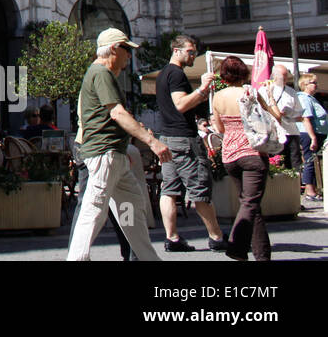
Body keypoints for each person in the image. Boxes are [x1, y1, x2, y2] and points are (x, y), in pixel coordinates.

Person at [67, 29, 171, 261]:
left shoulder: (101, 73)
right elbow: (116, 112)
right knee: (94, 210)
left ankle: (146, 257)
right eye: (126, 49)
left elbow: (113, 114)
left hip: (113, 154)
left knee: (130, 207)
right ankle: (77, 259)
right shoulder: (101, 72)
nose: (129, 56)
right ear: (113, 49)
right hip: (105, 153)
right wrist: (152, 141)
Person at [156, 35, 226, 253]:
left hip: (167, 138)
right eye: (190, 51)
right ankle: (216, 237)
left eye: (194, 51)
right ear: (176, 51)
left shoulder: (163, 74)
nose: (193, 55)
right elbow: (180, 104)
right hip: (184, 140)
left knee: (169, 190)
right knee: (199, 189)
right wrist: (202, 90)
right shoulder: (176, 74)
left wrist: (200, 113)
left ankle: (172, 238)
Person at [212, 56, 273, 261]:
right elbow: (272, 118)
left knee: (250, 205)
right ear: (243, 73)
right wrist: (271, 97)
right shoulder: (249, 92)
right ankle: (236, 247)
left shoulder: (217, 97)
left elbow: (219, 128)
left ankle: (262, 255)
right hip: (252, 151)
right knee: (250, 204)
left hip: (230, 154)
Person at [259, 65, 306, 175]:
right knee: (277, 163)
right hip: (275, 133)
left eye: (286, 76)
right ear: (275, 76)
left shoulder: (291, 92)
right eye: (283, 76)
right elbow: (260, 111)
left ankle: (296, 187)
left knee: (295, 164)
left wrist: (290, 115)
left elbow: (300, 114)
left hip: (291, 132)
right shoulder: (264, 90)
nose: (285, 79)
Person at [296, 74, 322, 201]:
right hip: (308, 134)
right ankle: (310, 191)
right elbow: (306, 119)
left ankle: (312, 189)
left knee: (312, 161)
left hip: (313, 133)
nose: (316, 85)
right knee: (310, 160)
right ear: (305, 85)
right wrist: (313, 138)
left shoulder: (312, 98)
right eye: (313, 82)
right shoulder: (304, 98)